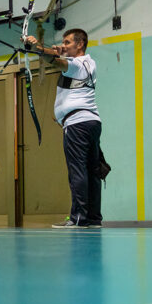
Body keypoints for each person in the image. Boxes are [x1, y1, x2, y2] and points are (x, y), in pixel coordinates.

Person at [25, 29, 102, 228]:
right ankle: (93, 218)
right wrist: (56, 51)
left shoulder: (77, 64)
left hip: (78, 124)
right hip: (90, 122)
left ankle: (78, 218)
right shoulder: (88, 63)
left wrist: (37, 48)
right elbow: (60, 60)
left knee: (77, 171)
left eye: (68, 42)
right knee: (91, 170)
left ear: (80, 44)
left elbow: (55, 62)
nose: (64, 45)